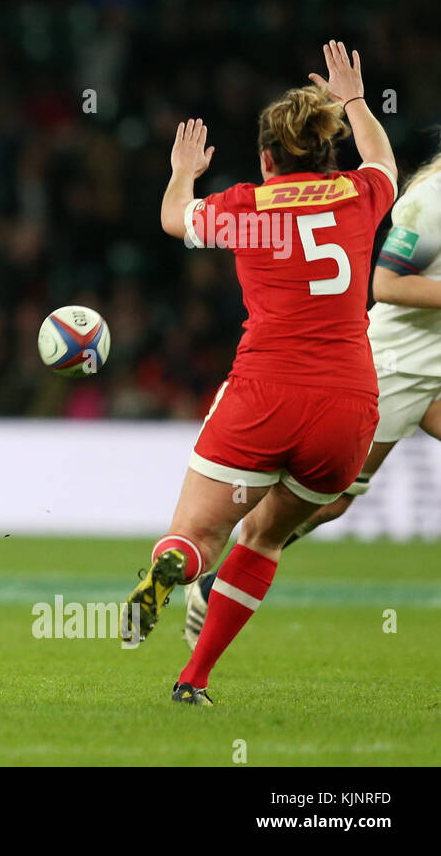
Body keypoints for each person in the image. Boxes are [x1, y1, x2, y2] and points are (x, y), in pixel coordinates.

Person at [121, 42, 397, 705]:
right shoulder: (360, 195)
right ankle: (194, 679)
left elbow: (169, 218)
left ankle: (172, 569)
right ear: (328, 150)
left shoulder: (249, 206)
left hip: (263, 394)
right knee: (266, 536)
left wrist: (183, 171)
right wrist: (354, 99)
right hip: (347, 404)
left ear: (267, 158)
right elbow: (384, 160)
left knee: (198, 535)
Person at [182, 141, 438, 650]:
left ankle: (213, 558)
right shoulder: (432, 200)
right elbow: (384, 284)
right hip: (398, 365)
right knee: (330, 502)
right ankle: (219, 575)